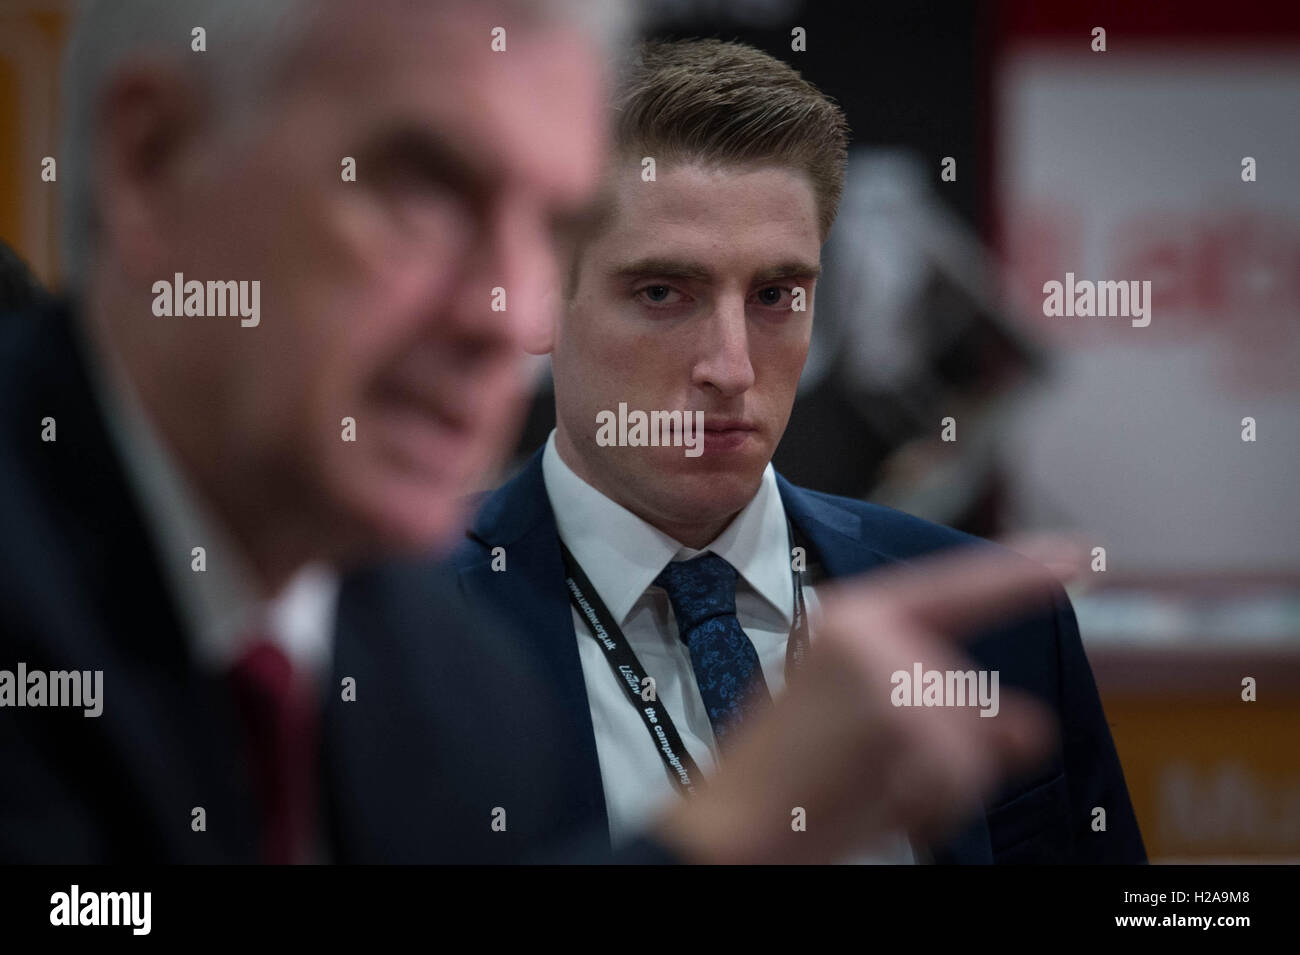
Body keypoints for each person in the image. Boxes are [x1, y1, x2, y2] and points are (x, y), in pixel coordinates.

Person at [0, 0, 1076, 864]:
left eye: (547, 224)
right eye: (427, 189)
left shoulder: (441, 676)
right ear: (152, 159)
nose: (510, 314)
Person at [448, 39, 1146, 863]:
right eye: (662, 293)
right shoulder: (388, 635)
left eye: (777, 296)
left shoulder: (997, 625)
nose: (731, 369)